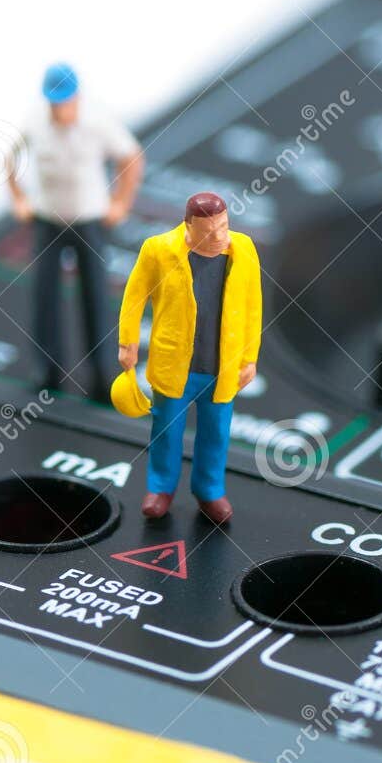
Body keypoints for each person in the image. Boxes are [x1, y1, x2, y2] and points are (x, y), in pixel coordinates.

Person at [118, 192, 261, 524]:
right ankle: (160, 488)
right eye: (209, 231)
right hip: (174, 365)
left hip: (221, 367)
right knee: (166, 429)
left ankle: (209, 490)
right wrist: (127, 342)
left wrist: (249, 358)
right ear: (188, 226)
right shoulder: (159, 249)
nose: (219, 237)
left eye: (223, 227)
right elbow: (134, 295)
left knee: (216, 433)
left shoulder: (244, 250)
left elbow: (254, 307)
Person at [7, 62, 143, 401]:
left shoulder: (98, 122)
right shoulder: (35, 120)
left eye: (65, 101)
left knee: (95, 298)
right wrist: (20, 199)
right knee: (45, 298)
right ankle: (47, 372)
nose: (60, 109)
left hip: (88, 222)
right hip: (48, 221)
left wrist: (121, 203)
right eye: (55, 102)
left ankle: (100, 376)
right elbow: (9, 158)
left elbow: (131, 157)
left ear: (77, 97)